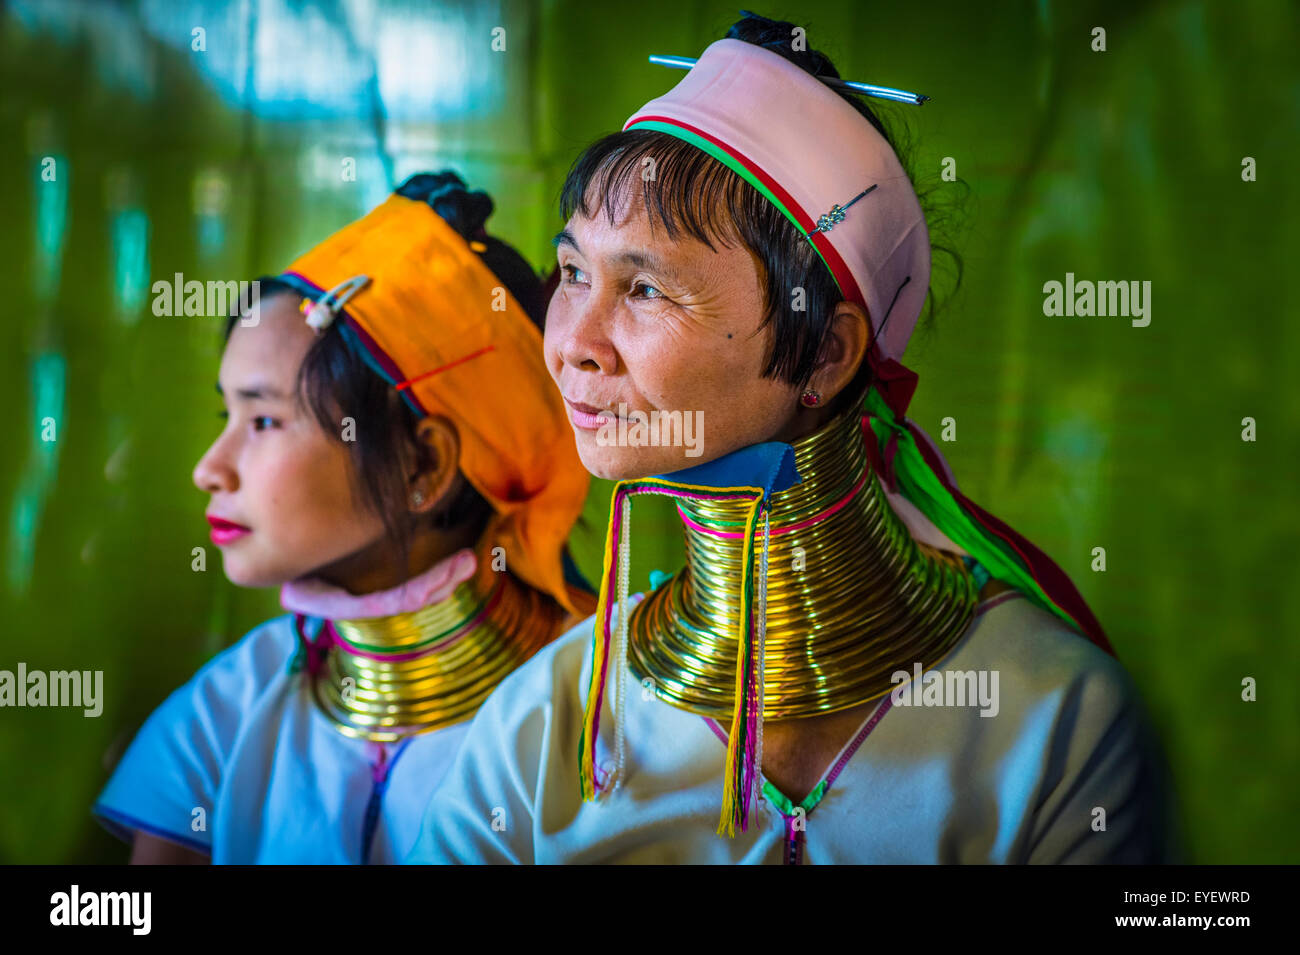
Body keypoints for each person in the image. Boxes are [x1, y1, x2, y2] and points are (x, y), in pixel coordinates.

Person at [407, 14, 1177, 864]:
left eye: (647, 290)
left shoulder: (1054, 726)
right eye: (576, 272)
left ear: (829, 349)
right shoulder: (540, 730)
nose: (573, 340)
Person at [92, 172, 594, 863]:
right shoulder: (225, 712)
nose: (211, 468)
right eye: (227, 413)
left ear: (424, 464)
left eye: (264, 418)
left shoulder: (599, 715)